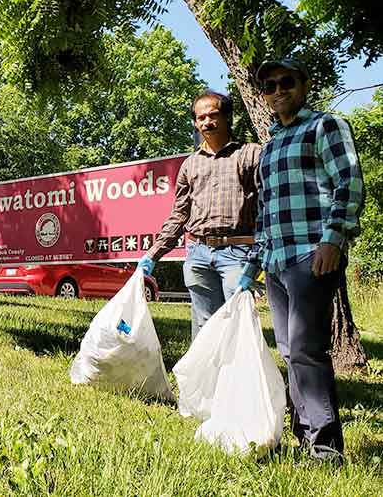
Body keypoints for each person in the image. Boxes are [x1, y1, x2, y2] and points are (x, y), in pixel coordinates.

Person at [238, 59, 364, 464]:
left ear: (305, 84)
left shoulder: (325, 126)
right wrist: (251, 265)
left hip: (312, 256)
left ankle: (325, 449)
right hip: (276, 262)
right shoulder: (270, 145)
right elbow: (266, 211)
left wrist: (334, 238)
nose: (278, 91)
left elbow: (349, 181)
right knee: (290, 350)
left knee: (308, 350)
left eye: (286, 82)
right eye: (269, 86)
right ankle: (303, 437)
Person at [138, 90, 261, 339]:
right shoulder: (190, 164)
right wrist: (152, 255)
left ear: (228, 117)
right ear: (195, 122)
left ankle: (236, 378)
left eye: (213, 115)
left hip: (238, 254)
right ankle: (203, 379)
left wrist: (257, 260)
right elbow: (179, 215)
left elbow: (269, 208)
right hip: (198, 254)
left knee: (239, 328)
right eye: (200, 117)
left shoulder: (251, 154)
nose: (207, 122)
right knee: (204, 329)